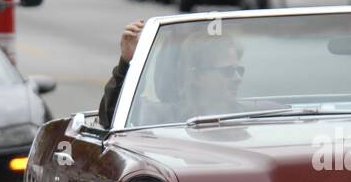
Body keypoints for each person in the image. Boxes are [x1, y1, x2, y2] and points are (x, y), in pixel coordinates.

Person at [98, 20, 250, 126]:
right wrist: (128, 63)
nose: (238, 78)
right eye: (228, 71)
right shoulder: (164, 117)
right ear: (198, 76)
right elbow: (113, 114)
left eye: (239, 70)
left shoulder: (253, 115)